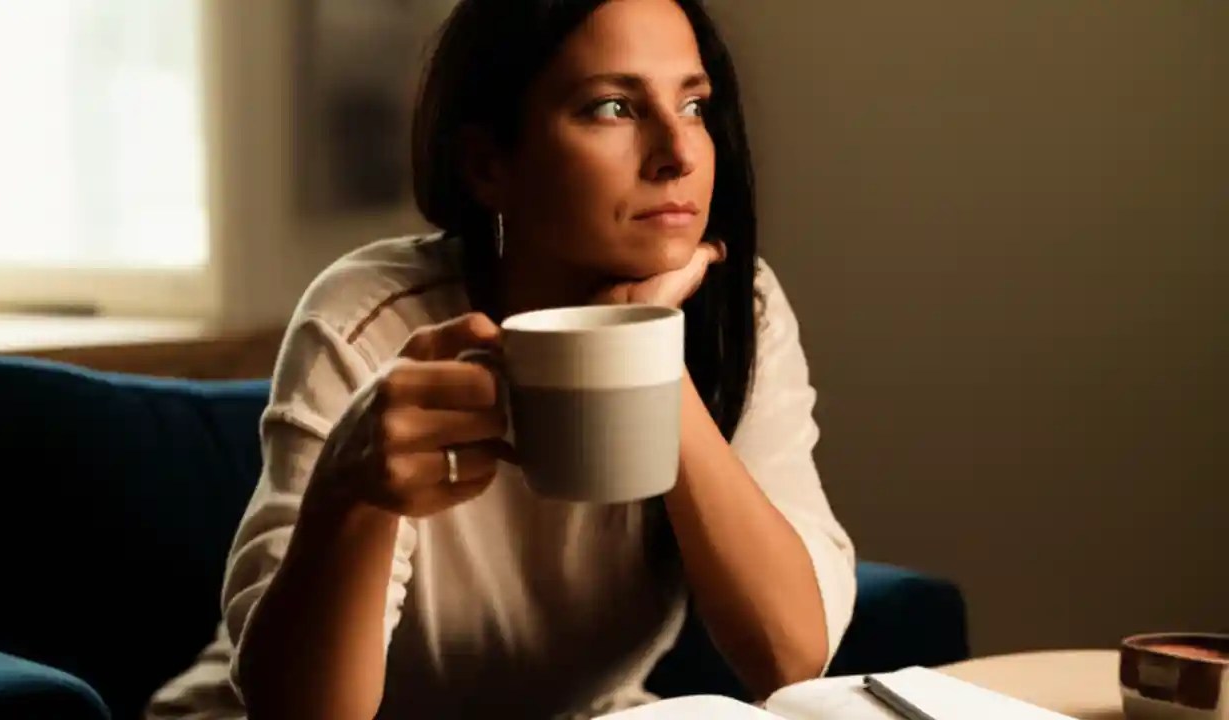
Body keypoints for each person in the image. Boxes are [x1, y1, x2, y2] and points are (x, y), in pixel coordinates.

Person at [147, 0, 855, 717]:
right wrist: (348, 496)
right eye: (613, 106)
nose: (678, 152)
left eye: (695, 104)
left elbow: (789, 655)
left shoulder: (739, 312)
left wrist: (638, 341)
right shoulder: (369, 318)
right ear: (488, 165)